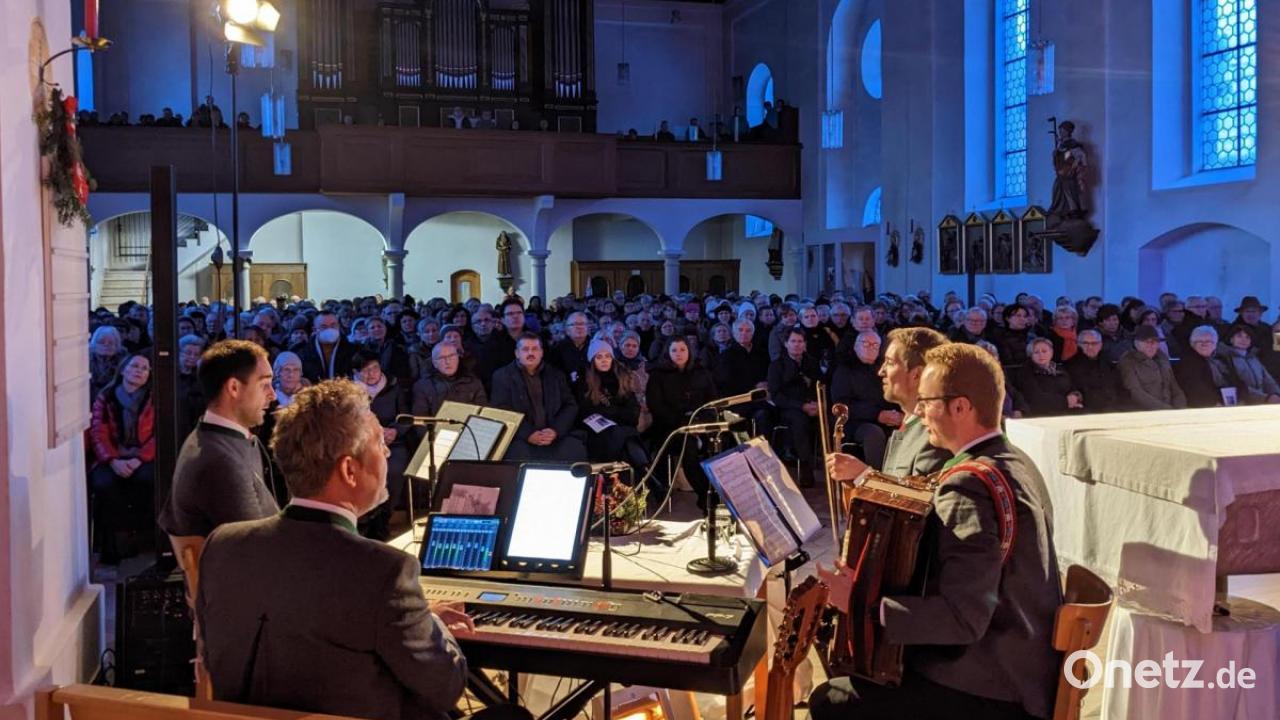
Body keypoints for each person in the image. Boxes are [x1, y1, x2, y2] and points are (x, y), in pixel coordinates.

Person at [197, 381, 527, 720]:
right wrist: (431, 624)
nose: (386, 454)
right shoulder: (383, 570)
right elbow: (446, 686)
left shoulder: (223, 545)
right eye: (379, 442)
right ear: (349, 470)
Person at [812, 343, 1063, 720]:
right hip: (1024, 665)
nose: (919, 412)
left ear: (961, 407)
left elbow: (964, 618)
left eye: (927, 401)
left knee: (831, 700)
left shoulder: (969, 486)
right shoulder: (1016, 460)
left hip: (993, 688)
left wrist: (862, 600)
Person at [159, 340, 281, 540]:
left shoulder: (221, 439)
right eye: (264, 384)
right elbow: (256, 551)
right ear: (233, 387)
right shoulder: (221, 462)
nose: (272, 394)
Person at [89, 352, 156, 564]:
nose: (139, 371)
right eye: (135, 366)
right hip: (112, 456)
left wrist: (139, 458)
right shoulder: (106, 396)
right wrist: (113, 460)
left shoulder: (155, 397)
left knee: (146, 481)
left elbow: (159, 434)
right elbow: (98, 432)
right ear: (124, 369)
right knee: (104, 485)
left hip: (142, 457)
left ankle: (136, 539)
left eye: (144, 368)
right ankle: (112, 544)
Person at [489, 333, 587, 461]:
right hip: (520, 436)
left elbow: (570, 405)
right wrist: (528, 433)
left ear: (541, 352)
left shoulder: (556, 375)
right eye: (525, 349)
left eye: (535, 349)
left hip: (553, 434)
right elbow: (501, 409)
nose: (530, 353)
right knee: (516, 454)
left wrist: (555, 430)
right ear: (517, 353)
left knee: (574, 449)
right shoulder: (502, 376)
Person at [645, 336, 718, 504]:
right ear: (668, 352)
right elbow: (657, 407)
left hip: (701, 424)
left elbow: (712, 402)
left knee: (720, 442)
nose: (679, 354)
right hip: (670, 428)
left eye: (683, 349)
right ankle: (705, 496)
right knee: (689, 446)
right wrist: (684, 425)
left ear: (689, 351)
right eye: (674, 350)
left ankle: (720, 492)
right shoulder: (657, 375)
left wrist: (701, 423)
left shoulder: (702, 372)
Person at [351, 353, 412, 540]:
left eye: (375, 368)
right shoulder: (350, 391)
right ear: (356, 372)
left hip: (394, 442)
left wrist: (395, 431)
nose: (371, 374)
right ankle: (366, 518)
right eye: (365, 370)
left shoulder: (394, 388)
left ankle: (384, 517)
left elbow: (405, 417)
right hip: (362, 444)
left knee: (394, 470)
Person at [576, 340, 649, 472]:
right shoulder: (584, 381)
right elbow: (587, 411)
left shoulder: (621, 378)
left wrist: (609, 412)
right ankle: (645, 475)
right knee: (622, 435)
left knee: (626, 435)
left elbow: (633, 414)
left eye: (607, 356)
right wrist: (617, 413)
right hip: (597, 432)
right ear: (592, 360)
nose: (604, 360)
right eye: (599, 357)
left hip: (622, 431)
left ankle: (638, 475)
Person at [767, 327, 824, 486]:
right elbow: (776, 396)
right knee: (800, 421)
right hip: (788, 408)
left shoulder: (812, 363)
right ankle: (806, 466)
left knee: (830, 419)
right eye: (793, 341)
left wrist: (816, 403)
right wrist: (801, 406)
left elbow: (820, 385)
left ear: (805, 344)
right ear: (786, 344)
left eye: (800, 341)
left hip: (811, 405)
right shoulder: (777, 366)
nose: (797, 345)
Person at [829, 331, 893, 469]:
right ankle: (877, 481)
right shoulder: (844, 370)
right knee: (873, 434)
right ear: (855, 346)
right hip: (855, 422)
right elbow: (841, 405)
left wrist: (898, 413)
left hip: (885, 419)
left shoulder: (883, 370)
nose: (871, 347)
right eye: (866, 344)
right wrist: (877, 415)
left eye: (875, 345)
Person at [1117, 325, 1187, 410]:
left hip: (1170, 410)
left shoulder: (1162, 358)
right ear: (1137, 343)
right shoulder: (1128, 361)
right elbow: (1135, 393)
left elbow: (1175, 387)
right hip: (1144, 412)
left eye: (1155, 342)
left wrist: (1180, 408)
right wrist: (1165, 409)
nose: (1151, 345)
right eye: (1147, 342)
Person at [412, 341, 487, 417]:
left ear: (458, 357)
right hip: (436, 428)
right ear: (435, 363)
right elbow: (420, 419)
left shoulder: (473, 382)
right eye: (442, 358)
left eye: (451, 356)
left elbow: (483, 413)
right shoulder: (423, 386)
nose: (447, 361)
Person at [1013, 337, 1084, 416]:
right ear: (1031, 355)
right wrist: (1066, 402)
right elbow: (1035, 398)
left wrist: (1075, 396)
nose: (1041, 355)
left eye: (1044, 351)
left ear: (1051, 352)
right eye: (1036, 352)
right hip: (1043, 414)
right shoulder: (1025, 373)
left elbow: (1072, 387)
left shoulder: (1060, 369)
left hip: (1067, 410)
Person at [1173, 326, 1237, 408]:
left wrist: (1242, 398)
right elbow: (1196, 390)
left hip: (1231, 401)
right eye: (1199, 341)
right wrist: (1217, 403)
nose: (1204, 344)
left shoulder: (1222, 359)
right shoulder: (1188, 363)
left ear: (1215, 344)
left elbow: (1236, 381)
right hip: (1208, 405)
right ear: (1192, 344)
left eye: (1208, 341)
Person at [1221, 322, 1280, 404]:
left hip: (1263, 402)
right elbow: (1236, 384)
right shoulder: (1225, 359)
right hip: (1243, 402)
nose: (1243, 340)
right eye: (1239, 336)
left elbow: (1268, 380)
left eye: (1247, 337)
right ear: (1231, 339)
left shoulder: (1253, 358)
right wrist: (1265, 398)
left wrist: (1277, 394)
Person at [1065, 329, 1121, 412]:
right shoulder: (1069, 366)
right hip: (1086, 411)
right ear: (1078, 344)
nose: (1090, 347)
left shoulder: (1108, 363)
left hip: (1114, 407)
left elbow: (1119, 387)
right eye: (1085, 343)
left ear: (1101, 345)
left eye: (1094, 343)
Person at [296, 310, 355, 384]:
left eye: (333, 325)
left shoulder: (353, 351)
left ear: (338, 326)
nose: (330, 329)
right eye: (324, 326)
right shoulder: (303, 353)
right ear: (315, 329)